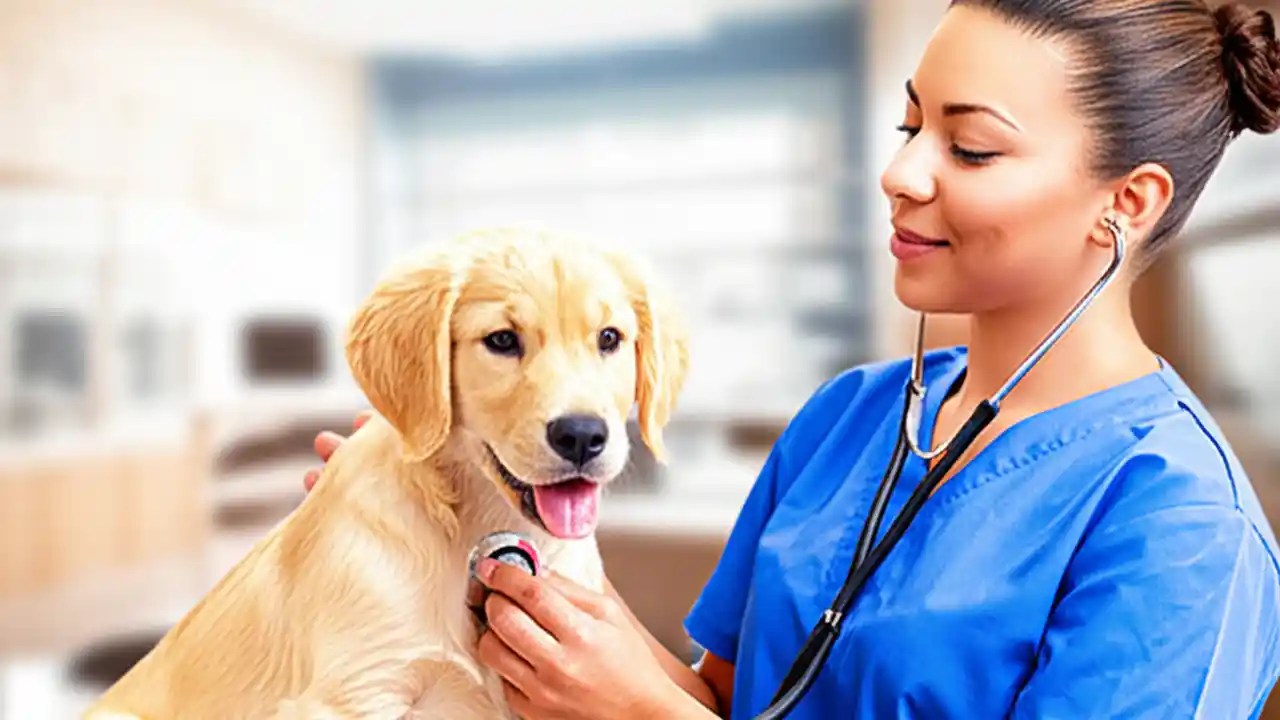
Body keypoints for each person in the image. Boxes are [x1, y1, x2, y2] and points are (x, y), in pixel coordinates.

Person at [306, 1, 1280, 717]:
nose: (898, 174)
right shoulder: (849, 415)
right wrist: (464, 529)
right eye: (908, 127)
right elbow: (725, 702)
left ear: (1128, 202)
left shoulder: (1184, 531)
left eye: (969, 147)